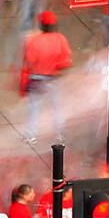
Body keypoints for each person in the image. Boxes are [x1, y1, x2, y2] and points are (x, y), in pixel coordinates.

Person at [20, 11, 72, 143]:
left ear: (41, 25)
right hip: (54, 79)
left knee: (34, 108)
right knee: (57, 107)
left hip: (37, 79)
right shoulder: (61, 39)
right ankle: (61, 134)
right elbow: (66, 60)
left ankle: (31, 135)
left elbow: (29, 60)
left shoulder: (34, 40)